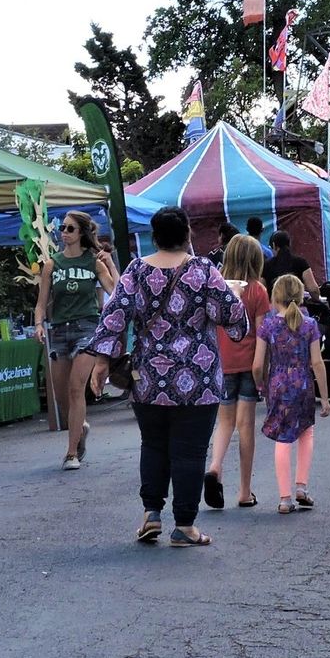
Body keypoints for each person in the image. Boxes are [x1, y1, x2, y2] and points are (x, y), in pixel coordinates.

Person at [85, 206, 248, 546]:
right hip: (197, 378)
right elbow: (231, 315)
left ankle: (151, 514)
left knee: (154, 445)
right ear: (188, 234)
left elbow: (114, 314)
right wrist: (236, 299)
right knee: (189, 452)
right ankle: (185, 526)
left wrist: (102, 362)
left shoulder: (136, 270)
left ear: (155, 236)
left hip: (148, 377)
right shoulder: (203, 270)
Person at [35, 210, 118, 470]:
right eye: (62, 228)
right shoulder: (52, 264)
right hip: (59, 329)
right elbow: (41, 302)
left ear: (81, 233)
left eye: (69, 228)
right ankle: (79, 426)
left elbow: (116, 293)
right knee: (61, 397)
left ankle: (71, 454)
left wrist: (112, 264)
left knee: (75, 387)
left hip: (86, 327)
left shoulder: (93, 262)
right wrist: (38, 324)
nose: (64, 232)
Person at [252, 274, 330, 514]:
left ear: (275, 297)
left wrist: (260, 385)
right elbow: (317, 363)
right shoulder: (309, 325)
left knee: (283, 439)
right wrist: (325, 398)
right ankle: (301, 487)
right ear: (300, 297)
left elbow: (257, 365)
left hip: (278, 386)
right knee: (306, 433)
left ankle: (284, 498)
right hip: (303, 386)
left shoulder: (267, 326)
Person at [204, 235, 269, 510]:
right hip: (249, 362)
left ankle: (215, 466)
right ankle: (244, 491)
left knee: (224, 422)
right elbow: (261, 333)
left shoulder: (217, 288)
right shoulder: (257, 291)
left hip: (222, 363)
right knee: (246, 427)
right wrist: (260, 371)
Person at [262, 230, 320, 295]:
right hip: (296, 304)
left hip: (275, 304)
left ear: (274, 245)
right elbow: (313, 289)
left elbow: (262, 289)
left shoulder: (266, 265)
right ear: (289, 244)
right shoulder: (301, 262)